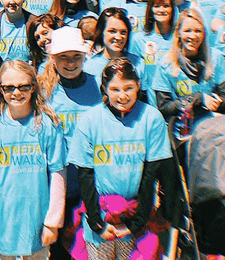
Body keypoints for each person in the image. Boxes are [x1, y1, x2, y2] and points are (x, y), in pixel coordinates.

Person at [68, 58, 173, 260]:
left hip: (136, 213)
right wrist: (96, 222)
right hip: (101, 215)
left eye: (128, 88)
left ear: (138, 85)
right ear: (104, 89)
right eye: (115, 89)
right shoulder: (90, 121)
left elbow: (151, 173)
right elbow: (86, 176)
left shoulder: (151, 118)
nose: (122, 96)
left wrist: (137, 222)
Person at [0, 60, 67, 260]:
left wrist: (53, 222)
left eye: (23, 86)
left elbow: (58, 174)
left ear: (33, 87)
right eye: (9, 88)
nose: (16, 93)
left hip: (38, 225)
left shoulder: (47, 126)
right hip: (2, 226)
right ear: (0, 90)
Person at [38, 28, 102, 260]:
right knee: (59, 250)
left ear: (84, 56)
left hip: (92, 182)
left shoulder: (98, 85)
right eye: (63, 57)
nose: (71, 63)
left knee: (89, 247)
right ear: (53, 58)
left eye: (76, 56)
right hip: (57, 183)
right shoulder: (43, 89)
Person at [152, 10, 225, 140]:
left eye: (198, 31)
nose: (193, 36)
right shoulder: (166, 64)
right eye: (187, 31)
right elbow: (163, 108)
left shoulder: (216, 57)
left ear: (204, 33)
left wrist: (216, 103)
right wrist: (197, 99)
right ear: (178, 33)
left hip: (213, 127)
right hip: (183, 131)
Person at [83, 9, 144, 91]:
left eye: (123, 32)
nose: (118, 37)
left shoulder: (139, 63)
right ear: (101, 32)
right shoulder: (88, 68)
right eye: (112, 31)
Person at [135, 0, 176, 89]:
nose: (161, 10)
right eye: (157, 6)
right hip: (149, 94)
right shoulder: (139, 39)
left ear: (172, 9)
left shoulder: (178, 37)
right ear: (151, 9)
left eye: (166, 6)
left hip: (174, 95)